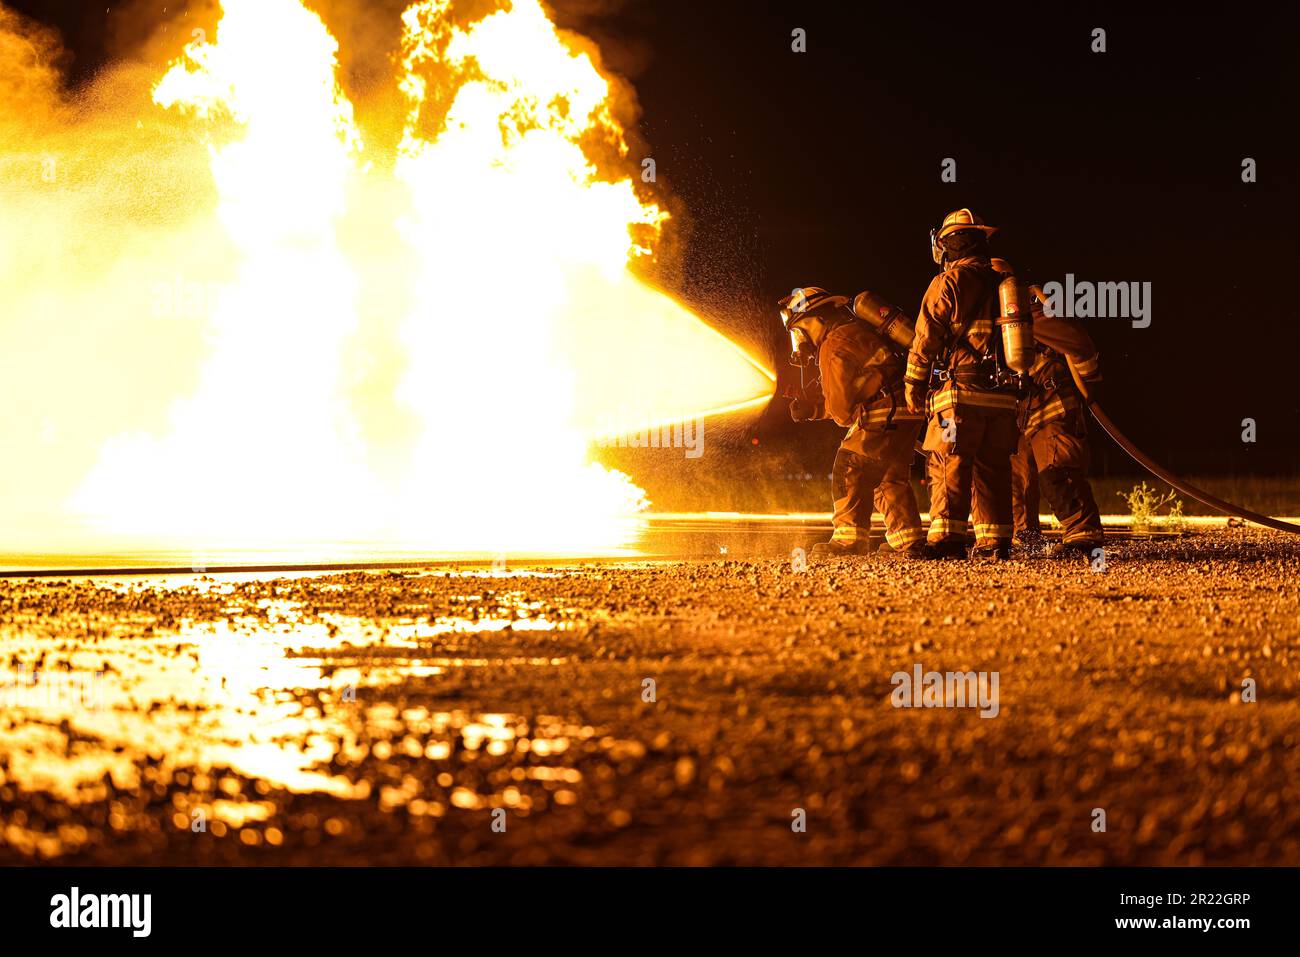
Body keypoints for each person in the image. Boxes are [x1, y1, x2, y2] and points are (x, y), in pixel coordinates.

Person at [904, 209, 1020, 560]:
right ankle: (994, 543)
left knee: (947, 461)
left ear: (950, 245)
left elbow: (926, 340)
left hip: (959, 401)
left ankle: (946, 540)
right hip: (1001, 400)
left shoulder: (948, 283)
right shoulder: (1003, 283)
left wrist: (914, 384)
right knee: (993, 467)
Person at [782, 286, 925, 557]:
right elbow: (859, 388)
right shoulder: (854, 331)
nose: (799, 339)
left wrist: (819, 408)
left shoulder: (832, 344)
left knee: (850, 466)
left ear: (814, 320)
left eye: (798, 330)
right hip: (904, 408)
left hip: (883, 412)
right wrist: (813, 408)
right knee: (888, 476)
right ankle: (908, 542)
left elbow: (842, 411)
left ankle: (849, 540)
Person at [1008, 269, 1105, 556]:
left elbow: (1076, 341)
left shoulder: (1024, 313)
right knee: (1015, 480)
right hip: (1018, 414)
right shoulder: (986, 324)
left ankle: (1083, 534)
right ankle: (1027, 539)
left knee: (1056, 472)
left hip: (1052, 406)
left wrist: (1089, 378)